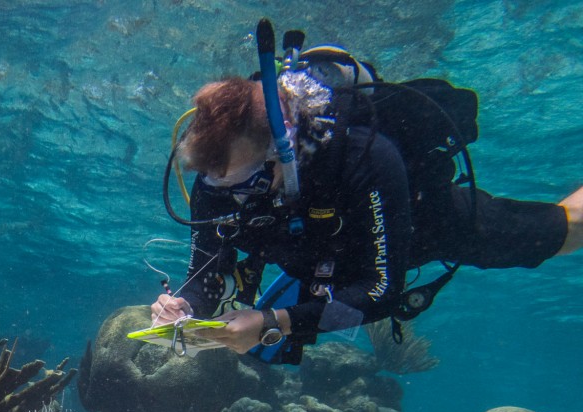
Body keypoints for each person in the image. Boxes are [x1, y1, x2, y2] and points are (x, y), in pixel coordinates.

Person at [150, 69, 583, 360]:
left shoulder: (363, 156)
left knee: (566, 230)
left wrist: (272, 323)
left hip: (422, 227)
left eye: (241, 185)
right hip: (314, 253)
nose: (228, 200)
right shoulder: (218, 182)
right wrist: (184, 305)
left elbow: (380, 293)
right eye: (212, 182)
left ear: (283, 155)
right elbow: (211, 269)